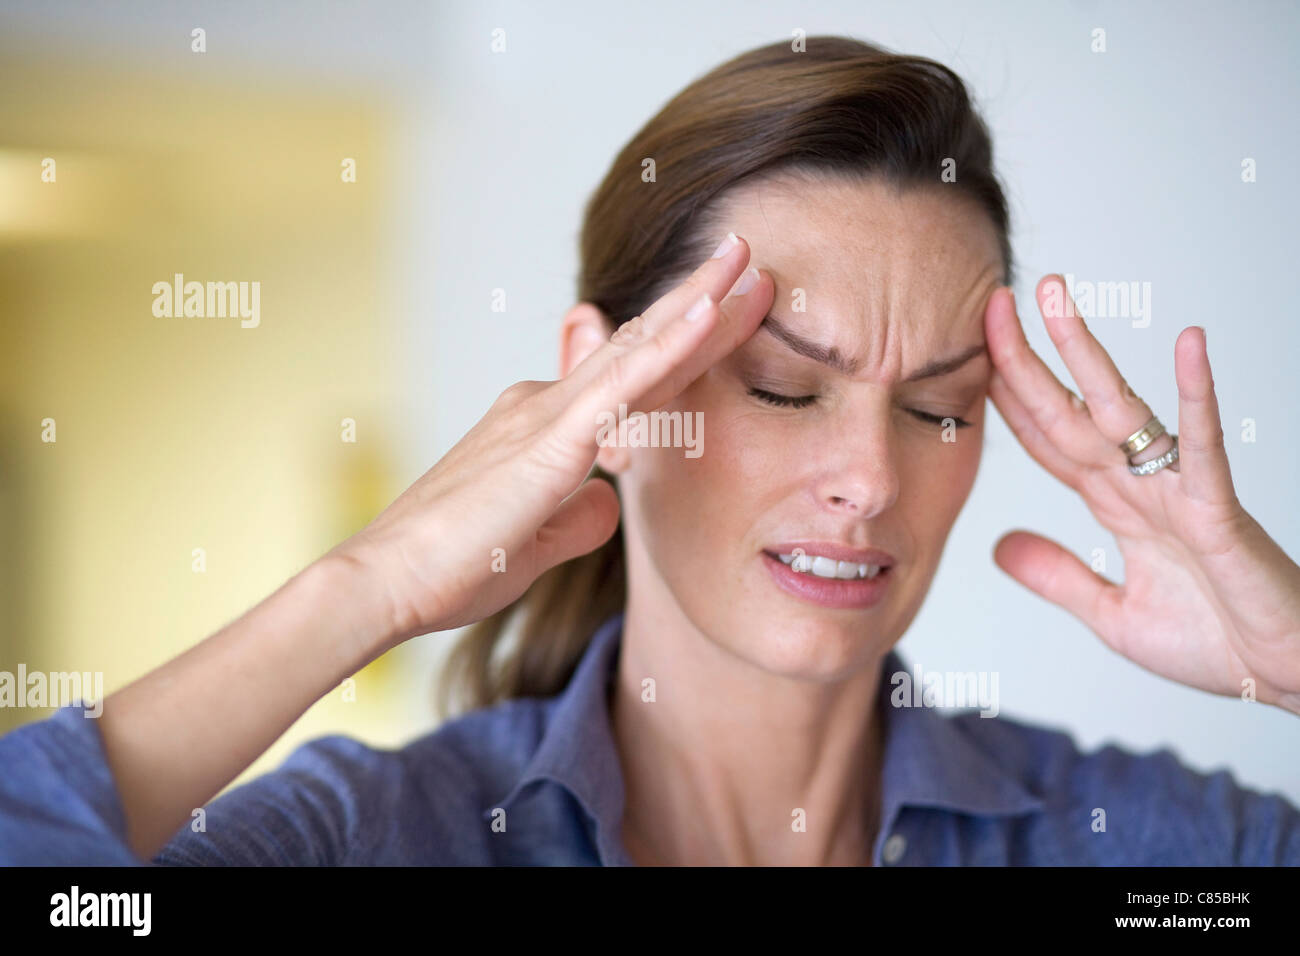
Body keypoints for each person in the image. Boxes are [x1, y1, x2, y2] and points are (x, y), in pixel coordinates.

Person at [2, 35, 1298, 867]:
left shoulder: (1131, 853)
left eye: (940, 407)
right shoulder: (391, 839)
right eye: (785, 388)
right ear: (603, 395)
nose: (872, 479)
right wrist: (368, 588)